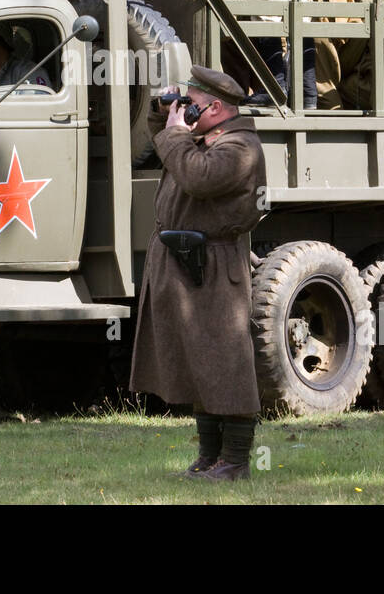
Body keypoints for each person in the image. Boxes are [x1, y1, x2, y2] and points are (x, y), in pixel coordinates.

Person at [130, 66, 267, 482]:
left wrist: (173, 132)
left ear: (218, 107)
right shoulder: (202, 137)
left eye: (192, 104)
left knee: (225, 362)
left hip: (215, 264)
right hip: (186, 261)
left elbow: (197, 176)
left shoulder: (240, 147)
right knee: (197, 362)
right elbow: (168, 141)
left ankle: (236, 461)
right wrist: (163, 109)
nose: (186, 111)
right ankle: (210, 456)